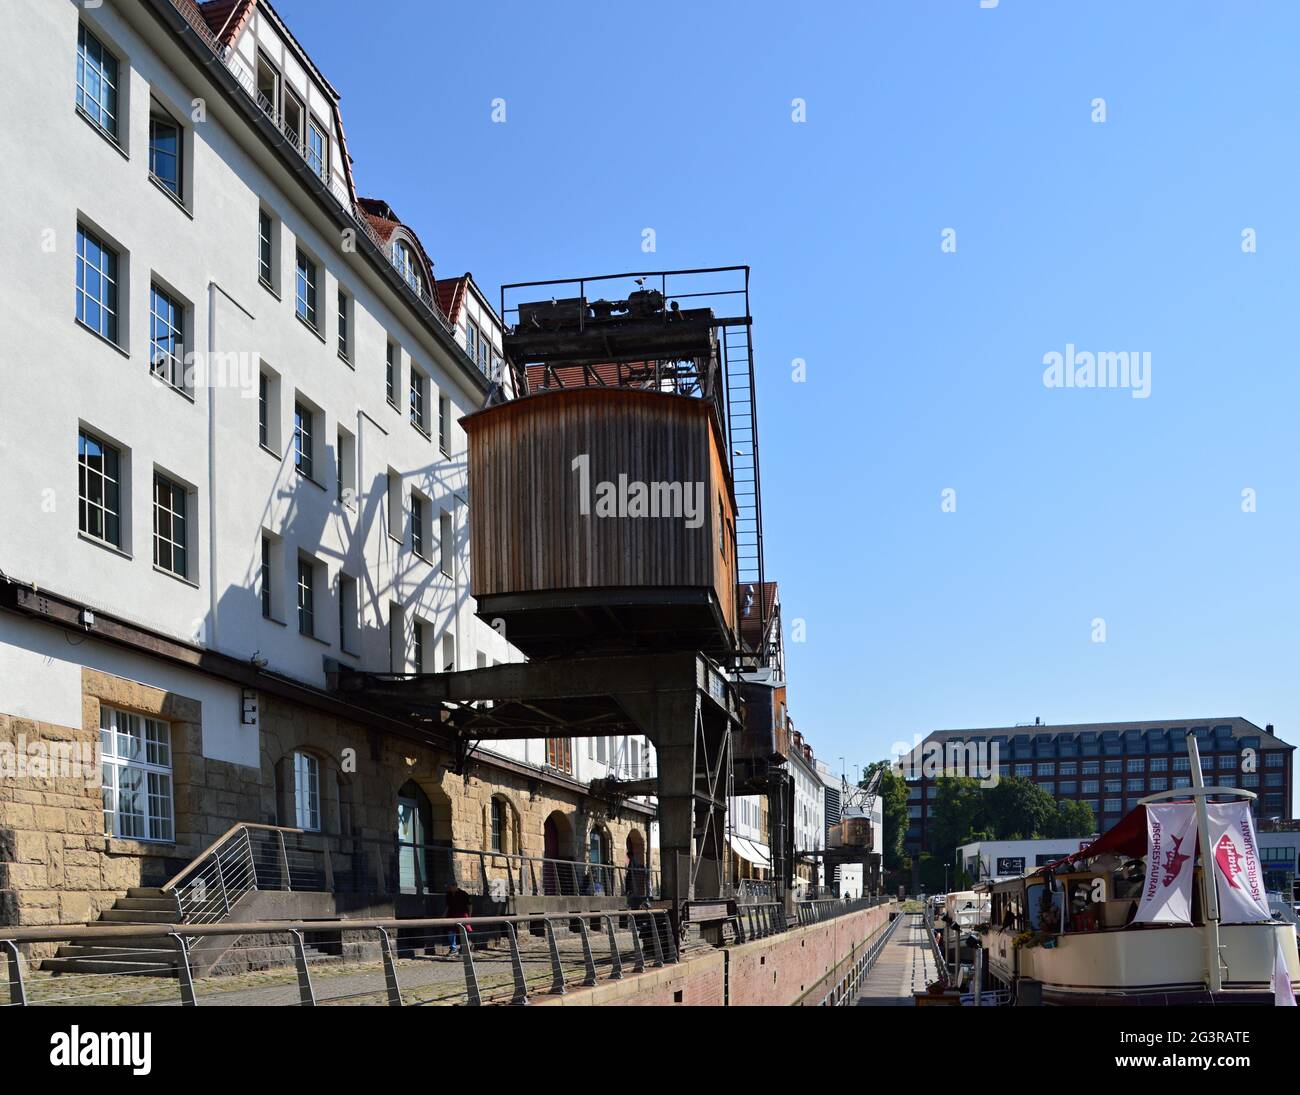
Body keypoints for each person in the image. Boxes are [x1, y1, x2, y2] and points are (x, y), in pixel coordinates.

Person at [445, 880, 471, 955]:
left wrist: (469, 916)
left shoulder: (463, 894)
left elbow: (470, 905)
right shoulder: (448, 894)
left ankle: (464, 947)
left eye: (450, 887)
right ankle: (453, 948)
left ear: (455, 886)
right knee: (451, 931)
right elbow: (448, 906)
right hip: (451, 915)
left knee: (463, 931)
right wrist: (444, 915)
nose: (449, 889)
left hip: (462, 915)